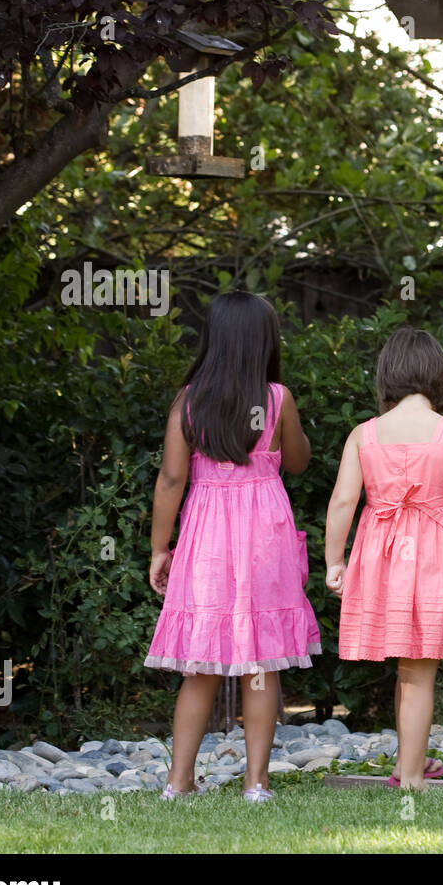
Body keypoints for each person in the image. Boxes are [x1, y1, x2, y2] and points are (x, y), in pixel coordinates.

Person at [146, 291, 318, 803]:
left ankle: (177, 784)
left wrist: (160, 548)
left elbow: (172, 479)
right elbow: (299, 462)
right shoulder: (277, 399)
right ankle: (255, 785)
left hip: (206, 540)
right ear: (264, 340)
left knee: (199, 664)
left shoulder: (188, 401)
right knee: (261, 666)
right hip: (264, 537)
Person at [325, 327, 443, 790]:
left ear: (386, 376)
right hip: (430, 557)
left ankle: (408, 762)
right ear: (439, 377)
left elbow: (344, 502)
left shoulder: (363, 434)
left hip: (381, 557)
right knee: (418, 671)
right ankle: (411, 778)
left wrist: (334, 560)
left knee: (408, 670)